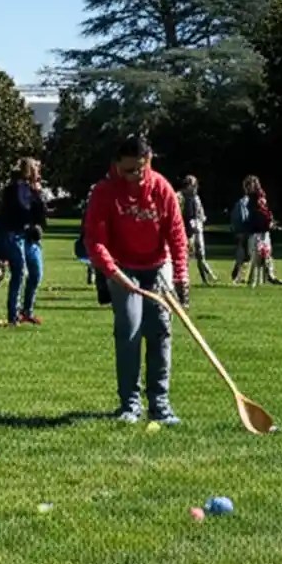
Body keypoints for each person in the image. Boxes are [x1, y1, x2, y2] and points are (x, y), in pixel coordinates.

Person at [84, 135, 188, 426]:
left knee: (160, 332)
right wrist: (116, 276)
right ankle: (130, 404)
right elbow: (95, 241)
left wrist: (181, 277)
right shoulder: (104, 192)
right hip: (122, 267)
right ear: (116, 165)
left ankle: (160, 404)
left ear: (149, 161)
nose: (133, 176)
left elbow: (177, 236)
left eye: (139, 169)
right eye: (127, 170)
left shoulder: (162, 188)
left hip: (156, 265)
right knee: (129, 332)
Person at [0, 157, 46, 325]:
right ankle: (13, 315)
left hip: (29, 237)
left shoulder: (34, 189)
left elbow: (40, 214)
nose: (39, 172)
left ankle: (27, 311)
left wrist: (38, 195)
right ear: (29, 170)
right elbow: (21, 208)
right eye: (36, 169)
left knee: (36, 273)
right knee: (19, 273)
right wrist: (35, 196)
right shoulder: (14, 188)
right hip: (12, 235)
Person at [179, 175, 217, 285]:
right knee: (186, 256)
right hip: (186, 230)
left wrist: (200, 220)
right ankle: (184, 279)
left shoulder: (196, 198)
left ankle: (207, 277)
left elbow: (201, 213)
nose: (195, 188)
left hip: (197, 228)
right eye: (192, 185)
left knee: (201, 254)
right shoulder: (180, 197)